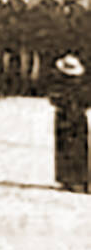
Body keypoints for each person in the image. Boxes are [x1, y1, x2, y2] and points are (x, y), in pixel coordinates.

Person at [50, 53, 90, 193]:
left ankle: (68, 179)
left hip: (65, 117)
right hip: (79, 118)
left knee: (65, 147)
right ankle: (81, 179)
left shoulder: (59, 86)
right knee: (79, 148)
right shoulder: (82, 86)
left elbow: (54, 100)